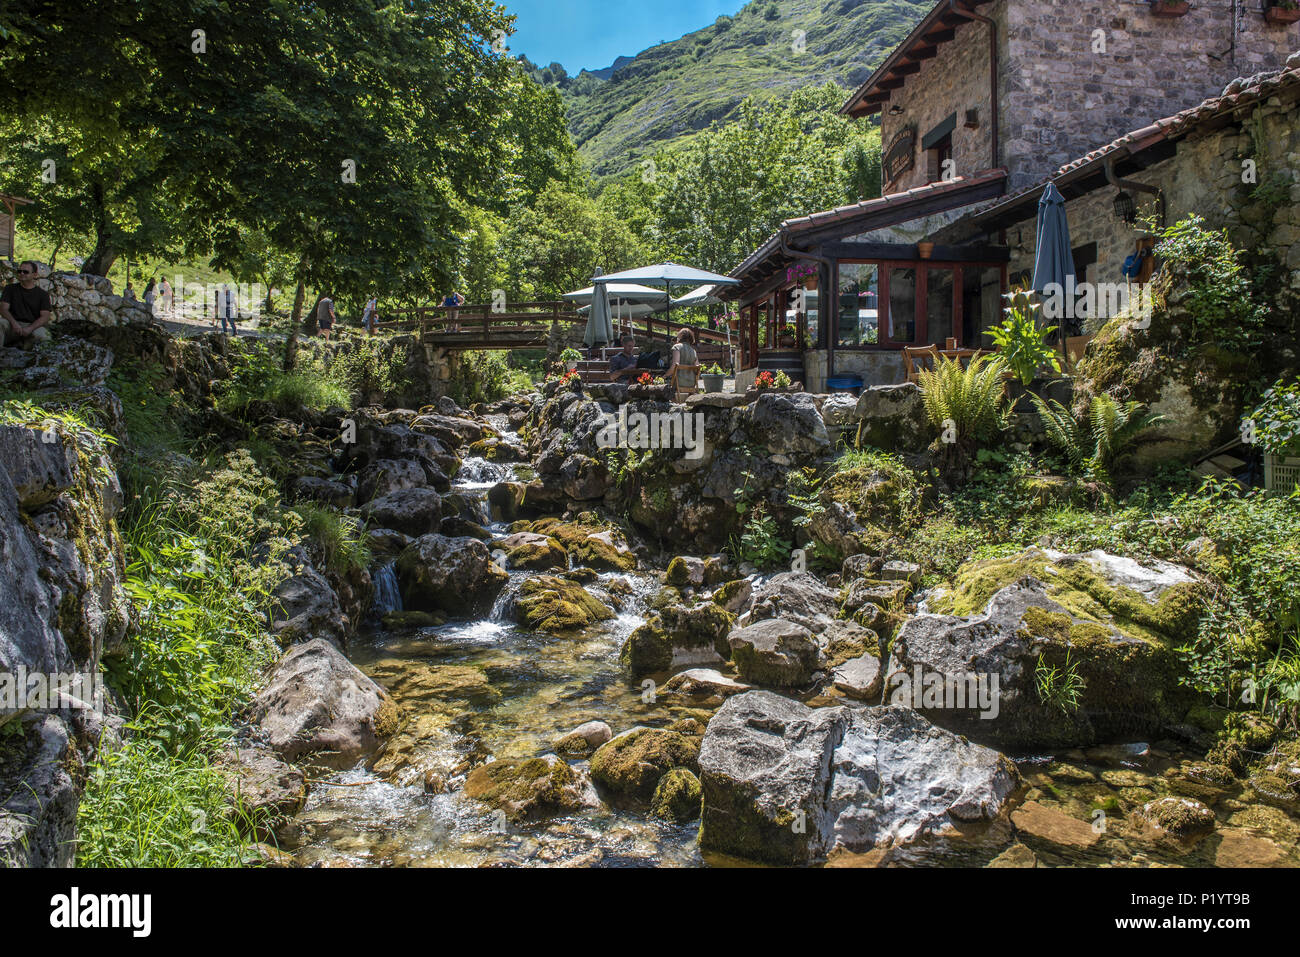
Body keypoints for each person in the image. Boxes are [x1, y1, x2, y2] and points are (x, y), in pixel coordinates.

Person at [0, 261, 54, 347]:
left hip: (32, 326)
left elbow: (45, 316)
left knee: (44, 336)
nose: (21, 273)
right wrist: (14, 323)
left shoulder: (42, 294)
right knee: (1, 323)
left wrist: (30, 328)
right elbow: (3, 309)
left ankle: (28, 353)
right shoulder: (10, 289)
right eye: (19, 271)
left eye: (25, 272)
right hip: (12, 324)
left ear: (35, 274)